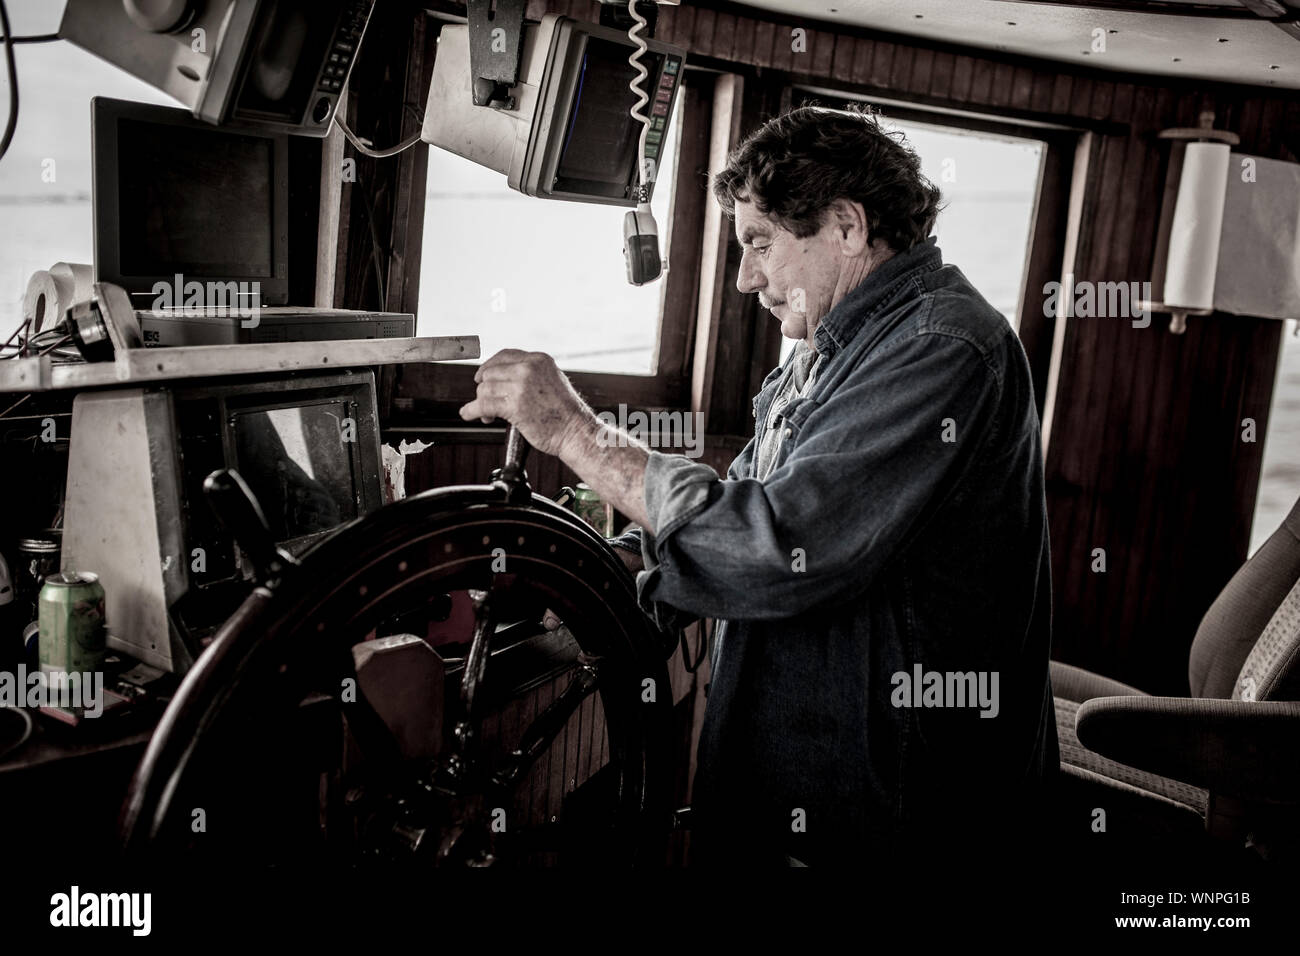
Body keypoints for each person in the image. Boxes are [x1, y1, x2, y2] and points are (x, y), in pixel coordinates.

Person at [460, 106, 1058, 867]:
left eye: (760, 243)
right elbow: (733, 510)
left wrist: (577, 435)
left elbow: (778, 544)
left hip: (890, 819)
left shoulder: (942, 349)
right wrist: (575, 579)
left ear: (845, 226)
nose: (745, 278)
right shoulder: (824, 351)